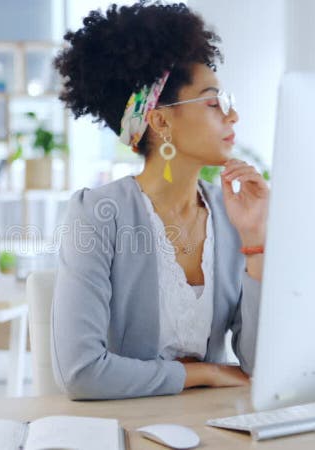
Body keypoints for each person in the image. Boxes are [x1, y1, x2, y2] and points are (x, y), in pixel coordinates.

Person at [50, 2, 269, 400]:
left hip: (212, 426)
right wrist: (205, 374)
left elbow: (260, 366)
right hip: (125, 426)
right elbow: (81, 373)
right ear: (161, 121)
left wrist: (255, 243)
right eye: (212, 101)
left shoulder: (232, 214)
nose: (232, 115)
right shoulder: (99, 215)